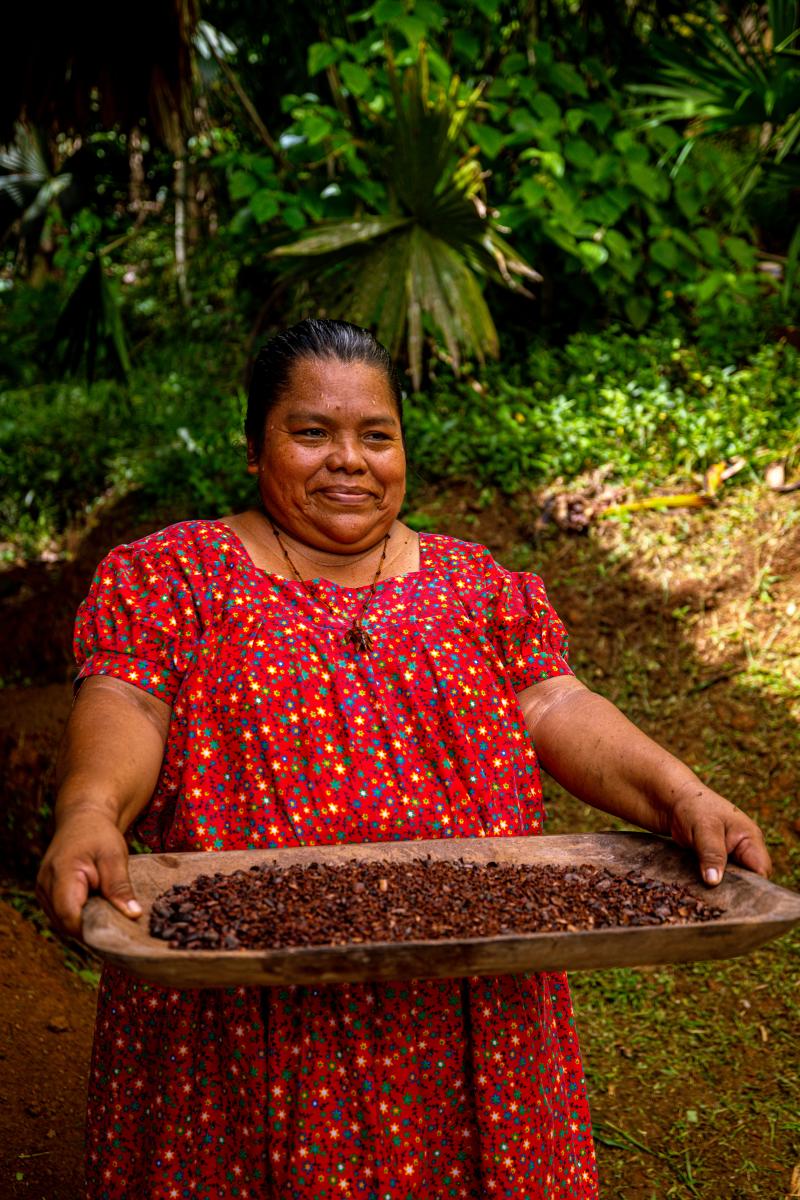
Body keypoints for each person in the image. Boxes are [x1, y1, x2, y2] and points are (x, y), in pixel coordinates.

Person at [37, 317, 771, 1200]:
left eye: (375, 436)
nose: (349, 459)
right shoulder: (174, 574)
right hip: (244, 1005)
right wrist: (89, 812)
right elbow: (125, 699)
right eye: (312, 433)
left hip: (469, 1004)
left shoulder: (477, 585)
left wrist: (680, 795)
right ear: (253, 448)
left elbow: (556, 701)